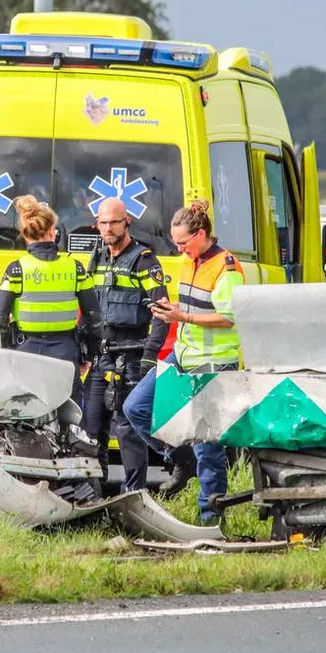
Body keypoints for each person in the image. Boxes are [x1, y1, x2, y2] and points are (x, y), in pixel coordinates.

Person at [121, 199, 245, 524]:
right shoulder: (190, 261)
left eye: (183, 243)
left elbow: (229, 318)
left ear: (201, 234)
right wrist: (169, 307)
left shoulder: (226, 267)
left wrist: (183, 314)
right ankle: (180, 458)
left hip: (214, 362)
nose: (179, 250)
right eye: (175, 244)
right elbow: (192, 303)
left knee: (209, 445)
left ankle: (211, 519)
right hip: (184, 354)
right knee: (136, 407)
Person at [0, 195, 101, 434]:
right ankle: (78, 461)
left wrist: (3, 352)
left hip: (26, 353)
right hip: (65, 352)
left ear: (26, 234)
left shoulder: (16, 270)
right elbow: (94, 316)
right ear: (53, 232)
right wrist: (88, 352)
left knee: (24, 416)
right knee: (73, 417)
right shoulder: (74, 268)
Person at [82, 197, 168, 492]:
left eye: (113, 222)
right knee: (91, 430)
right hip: (100, 358)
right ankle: (92, 498)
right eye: (102, 223)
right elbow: (89, 309)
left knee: (128, 431)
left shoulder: (144, 259)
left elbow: (161, 313)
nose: (107, 228)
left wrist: (149, 356)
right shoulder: (97, 257)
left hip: (130, 358)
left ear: (126, 222)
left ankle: (133, 497)